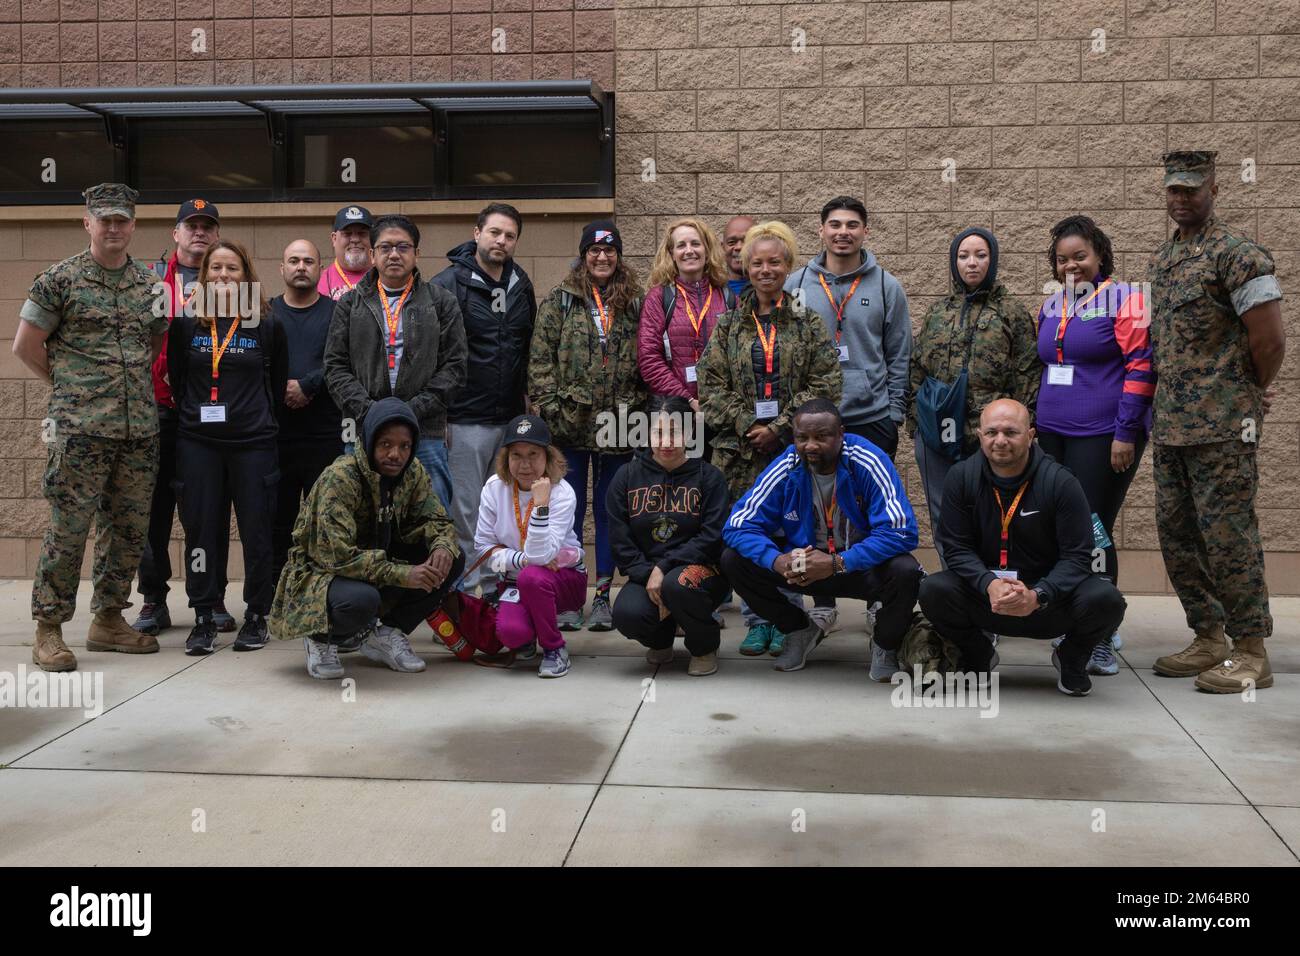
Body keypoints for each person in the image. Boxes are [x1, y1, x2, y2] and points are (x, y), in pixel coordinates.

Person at [1146, 151, 1285, 694]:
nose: (1182, 199)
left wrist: (1248, 391)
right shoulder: (1165, 259)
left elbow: (1269, 340)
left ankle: (1252, 649)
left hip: (1224, 428)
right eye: (1174, 191)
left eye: (1192, 190)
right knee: (1177, 535)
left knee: (1228, 537)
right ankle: (1208, 636)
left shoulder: (1240, 257)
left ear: (1214, 190)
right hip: (1173, 426)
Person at [14, 184, 167, 671]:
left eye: (122, 220)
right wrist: (70, 390)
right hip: (80, 431)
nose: (114, 228)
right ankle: (49, 628)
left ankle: (109, 619)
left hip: (139, 429)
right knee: (69, 529)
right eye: (104, 220)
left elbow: (155, 344)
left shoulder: (151, 286)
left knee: (126, 530)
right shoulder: (58, 280)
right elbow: (26, 346)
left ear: (133, 225)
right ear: (88, 223)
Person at [697, 220, 842, 657]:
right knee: (747, 534)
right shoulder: (728, 324)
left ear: (787, 266)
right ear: (744, 265)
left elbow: (827, 382)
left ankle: (788, 619)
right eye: (756, 263)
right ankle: (758, 621)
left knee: (791, 533)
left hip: (794, 452)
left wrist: (779, 427)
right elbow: (709, 382)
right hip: (738, 452)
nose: (764, 270)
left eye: (773, 262)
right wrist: (748, 424)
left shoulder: (809, 321)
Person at [918, 399, 1128, 697]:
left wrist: (1038, 594)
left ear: (1030, 436)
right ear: (979, 436)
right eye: (991, 432)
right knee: (933, 589)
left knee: (1107, 599)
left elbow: (1078, 557)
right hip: (988, 598)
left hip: (1046, 602)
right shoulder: (961, 477)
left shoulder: (1061, 482)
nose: (1000, 441)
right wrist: (988, 583)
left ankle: (1072, 659)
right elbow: (955, 547)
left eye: (1011, 432)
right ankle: (977, 655)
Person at [721, 398, 923, 676]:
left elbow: (902, 532)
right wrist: (777, 560)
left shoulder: (868, 459)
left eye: (821, 436)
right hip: (803, 568)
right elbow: (738, 524)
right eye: (802, 437)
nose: (810, 446)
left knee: (906, 571)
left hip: (857, 567)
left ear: (841, 434)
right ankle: (799, 630)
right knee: (733, 560)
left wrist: (837, 562)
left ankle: (885, 643)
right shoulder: (788, 464)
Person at [1034, 215, 1154, 675]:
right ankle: (1070, 616)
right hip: (1052, 434)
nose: (1071, 266)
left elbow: (1142, 366)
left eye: (1080, 256)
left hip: (1103, 435)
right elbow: (1044, 366)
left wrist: (1126, 431)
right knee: (1058, 525)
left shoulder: (1127, 298)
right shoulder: (1051, 305)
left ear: (1100, 254)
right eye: (1062, 259)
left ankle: (1101, 632)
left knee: (1093, 526)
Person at [270, 397, 463, 680]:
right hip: (320, 575)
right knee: (362, 600)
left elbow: (436, 519)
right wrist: (404, 574)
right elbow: (338, 557)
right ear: (370, 441)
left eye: (404, 446)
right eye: (386, 444)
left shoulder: (412, 473)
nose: (395, 454)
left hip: (375, 565)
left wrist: (443, 546)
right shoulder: (341, 477)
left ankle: (385, 633)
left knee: (451, 558)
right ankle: (321, 639)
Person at [167, 239, 288, 655]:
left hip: (253, 442)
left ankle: (257, 614)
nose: (222, 275)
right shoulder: (187, 322)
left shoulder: (266, 324)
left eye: (231, 269)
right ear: (204, 276)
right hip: (199, 442)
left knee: (257, 531)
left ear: (246, 275)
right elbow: (181, 379)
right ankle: (203, 615)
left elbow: (274, 383)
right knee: (202, 531)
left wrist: (256, 418)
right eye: (215, 268)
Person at [528, 220, 646, 632]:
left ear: (618, 255)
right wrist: (552, 408)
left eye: (610, 250)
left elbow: (647, 358)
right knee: (568, 511)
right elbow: (539, 363)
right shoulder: (560, 300)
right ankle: (569, 595)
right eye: (594, 251)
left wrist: (642, 413)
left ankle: (602, 596)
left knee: (613, 512)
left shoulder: (635, 301)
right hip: (569, 425)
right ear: (583, 255)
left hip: (621, 424)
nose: (602, 257)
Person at [907, 226, 1039, 564]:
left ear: (992, 261)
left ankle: (993, 586)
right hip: (937, 431)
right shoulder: (938, 312)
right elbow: (917, 368)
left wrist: (1019, 429)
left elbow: (1027, 373)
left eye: (981, 255)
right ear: (954, 262)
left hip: (989, 436)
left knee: (991, 511)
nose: (972, 264)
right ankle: (955, 585)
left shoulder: (1011, 312)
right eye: (964, 256)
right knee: (943, 510)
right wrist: (916, 423)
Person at [134, 198, 235, 635]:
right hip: (156, 410)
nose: (199, 233)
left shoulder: (232, 282)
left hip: (206, 416)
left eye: (207, 226)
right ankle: (154, 600)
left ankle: (210, 598)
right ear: (175, 233)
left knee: (206, 511)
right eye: (190, 225)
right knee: (151, 512)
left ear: (216, 235)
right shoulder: (149, 281)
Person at [324, 213, 467, 513]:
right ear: (373, 254)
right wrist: (372, 412)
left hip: (424, 431)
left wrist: (409, 412)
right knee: (365, 515)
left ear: (417, 253)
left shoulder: (441, 302)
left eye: (403, 247)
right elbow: (335, 367)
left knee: (431, 515)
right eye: (385, 247)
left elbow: (454, 367)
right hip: (364, 430)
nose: (394, 254)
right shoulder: (350, 304)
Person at [431, 203, 537, 597]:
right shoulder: (447, 284)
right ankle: (464, 590)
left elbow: (526, 348)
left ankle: (497, 588)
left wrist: (527, 402)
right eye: (494, 232)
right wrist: (440, 411)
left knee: (504, 509)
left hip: (508, 419)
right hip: (463, 417)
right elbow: (433, 354)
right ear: (477, 233)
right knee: (466, 510)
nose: (501, 241)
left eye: (509, 236)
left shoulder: (520, 283)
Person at [608, 396, 731, 676]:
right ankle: (660, 639)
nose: (666, 441)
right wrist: (648, 572)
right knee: (627, 615)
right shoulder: (626, 477)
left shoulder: (709, 477)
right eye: (658, 432)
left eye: (674, 432)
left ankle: (704, 646)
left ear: (689, 432)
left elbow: (712, 537)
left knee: (678, 585)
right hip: (647, 573)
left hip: (701, 571)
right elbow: (619, 539)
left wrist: (663, 568)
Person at [786, 196, 910, 460]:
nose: (843, 232)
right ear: (822, 231)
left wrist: (894, 414)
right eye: (835, 225)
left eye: (852, 225)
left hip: (872, 418)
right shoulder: (796, 285)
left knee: (867, 498)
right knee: (815, 498)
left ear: (865, 232)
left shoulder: (886, 286)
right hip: (811, 419)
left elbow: (899, 354)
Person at [472, 414, 587, 678]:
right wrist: (523, 560)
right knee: (511, 633)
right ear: (506, 458)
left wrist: (541, 506)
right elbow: (483, 548)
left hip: (564, 580)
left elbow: (542, 555)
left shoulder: (562, 492)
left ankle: (554, 649)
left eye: (533, 454)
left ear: (547, 456)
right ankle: (529, 629)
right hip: (515, 580)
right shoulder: (494, 488)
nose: (525, 465)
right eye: (516, 455)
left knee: (533, 577)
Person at [272, 239, 344, 585]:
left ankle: (321, 589)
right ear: (282, 269)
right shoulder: (266, 313)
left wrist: (308, 385)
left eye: (308, 261)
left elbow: (345, 361)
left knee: (323, 519)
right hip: (276, 436)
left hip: (323, 436)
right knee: (278, 521)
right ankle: (279, 590)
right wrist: (282, 386)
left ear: (320, 268)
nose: (301, 267)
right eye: (294, 260)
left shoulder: (337, 313)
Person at [637, 217, 732, 413]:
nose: (689, 251)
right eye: (681, 245)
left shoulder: (727, 296)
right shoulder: (659, 297)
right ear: (672, 254)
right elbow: (649, 358)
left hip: (722, 409)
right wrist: (687, 399)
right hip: (675, 411)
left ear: (707, 249)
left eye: (695, 244)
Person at [319, 204, 374, 301]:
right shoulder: (320, 281)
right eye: (347, 234)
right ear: (334, 239)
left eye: (362, 233)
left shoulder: (385, 276)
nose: (355, 239)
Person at [722, 215, 755, 300]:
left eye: (746, 241)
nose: (739, 247)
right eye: (732, 242)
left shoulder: (772, 288)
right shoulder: (710, 289)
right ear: (722, 248)